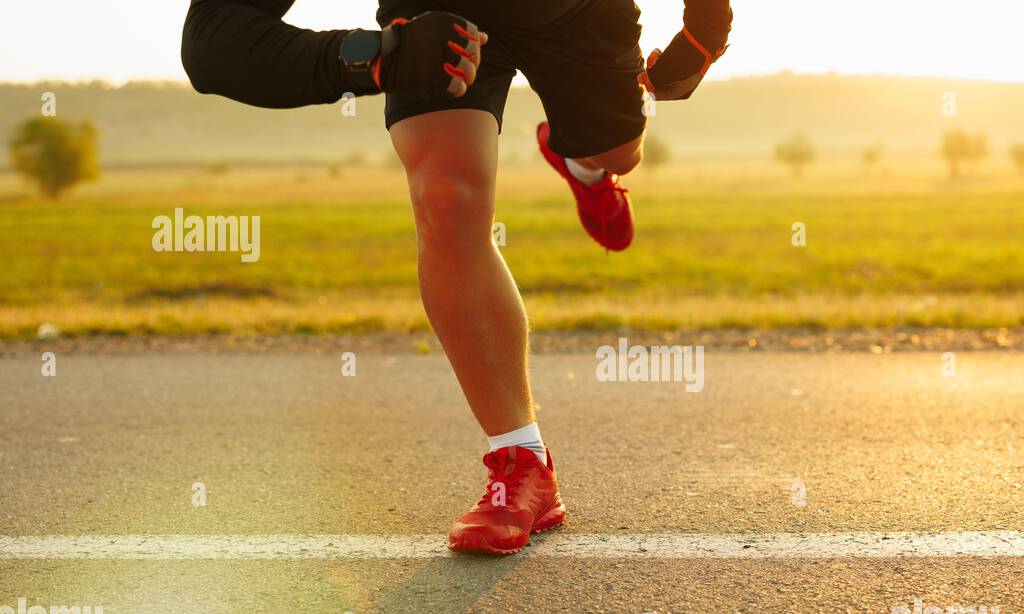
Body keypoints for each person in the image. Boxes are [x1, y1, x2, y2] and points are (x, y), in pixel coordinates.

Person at [181, 0, 732, 554]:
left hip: (577, 9)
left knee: (617, 151)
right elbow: (211, 43)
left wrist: (707, 28)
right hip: (442, 11)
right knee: (445, 199)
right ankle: (522, 460)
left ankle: (586, 165)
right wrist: (380, 58)